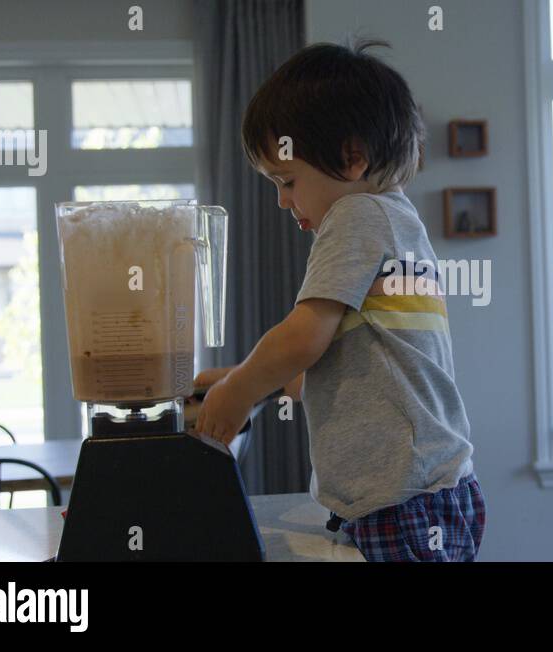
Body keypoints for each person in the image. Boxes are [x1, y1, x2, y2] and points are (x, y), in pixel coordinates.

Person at [193, 38, 484, 562]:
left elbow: (303, 338)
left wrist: (238, 392)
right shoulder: (396, 222)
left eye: (286, 180)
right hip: (428, 493)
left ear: (351, 158)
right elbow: (327, 372)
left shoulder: (358, 216)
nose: (283, 200)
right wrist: (244, 375)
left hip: (402, 500)